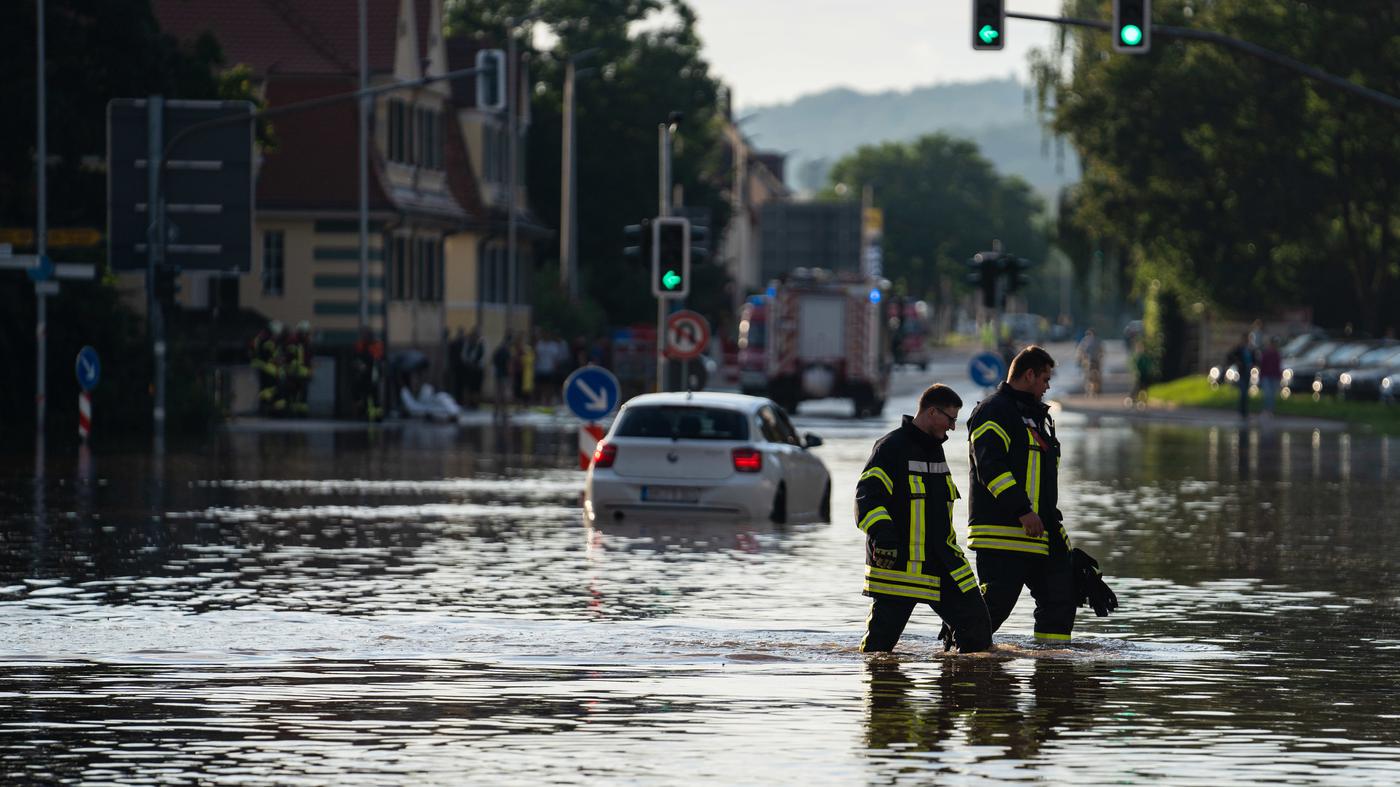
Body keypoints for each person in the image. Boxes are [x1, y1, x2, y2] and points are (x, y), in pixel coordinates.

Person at [856, 383, 992, 654]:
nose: (953, 427)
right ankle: (883, 694)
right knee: (878, 651)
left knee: (977, 631)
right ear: (932, 412)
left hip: (943, 563)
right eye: (950, 419)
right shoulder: (890, 448)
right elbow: (866, 499)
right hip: (900, 566)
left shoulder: (934, 450)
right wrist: (885, 537)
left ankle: (958, 691)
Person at [966, 346, 1074, 644]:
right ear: (1029, 375)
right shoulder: (994, 411)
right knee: (995, 607)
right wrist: (1022, 510)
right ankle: (957, 660)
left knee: (1060, 599)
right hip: (1002, 532)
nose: (1048, 386)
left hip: (1039, 533)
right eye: (1045, 379)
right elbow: (990, 467)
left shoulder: (1036, 416)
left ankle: (1051, 671)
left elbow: (1042, 482)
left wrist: (1057, 533)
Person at [1226, 332, 1255, 419]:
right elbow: (1230, 356)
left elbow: (1254, 359)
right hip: (1241, 373)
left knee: (1246, 393)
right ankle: (1242, 411)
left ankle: (1245, 411)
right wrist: (1237, 362)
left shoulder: (1250, 349)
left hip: (1248, 372)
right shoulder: (1239, 348)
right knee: (1243, 392)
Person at [460, 327, 485, 409]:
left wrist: (477, 364)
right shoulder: (468, 344)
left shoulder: (481, 345)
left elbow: (483, 357)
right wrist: (468, 362)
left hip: (478, 369)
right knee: (468, 387)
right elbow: (464, 355)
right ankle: (467, 403)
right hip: (469, 368)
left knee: (476, 388)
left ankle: (475, 404)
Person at [1258, 336, 1282, 416]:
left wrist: (1279, 376)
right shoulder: (1266, 353)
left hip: (1274, 376)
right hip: (1267, 376)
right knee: (1268, 394)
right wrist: (1261, 376)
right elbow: (1262, 365)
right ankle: (1266, 409)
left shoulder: (1277, 354)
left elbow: (1278, 366)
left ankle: (1270, 410)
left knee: (1272, 394)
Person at [1076, 329, 1103, 397]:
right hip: (1095, 360)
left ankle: (1089, 391)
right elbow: (1102, 351)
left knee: (1088, 377)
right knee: (1096, 376)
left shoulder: (1085, 340)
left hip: (1089, 361)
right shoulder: (1098, 340)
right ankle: (1096, 390)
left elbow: (1080, 351)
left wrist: (1080, 360)